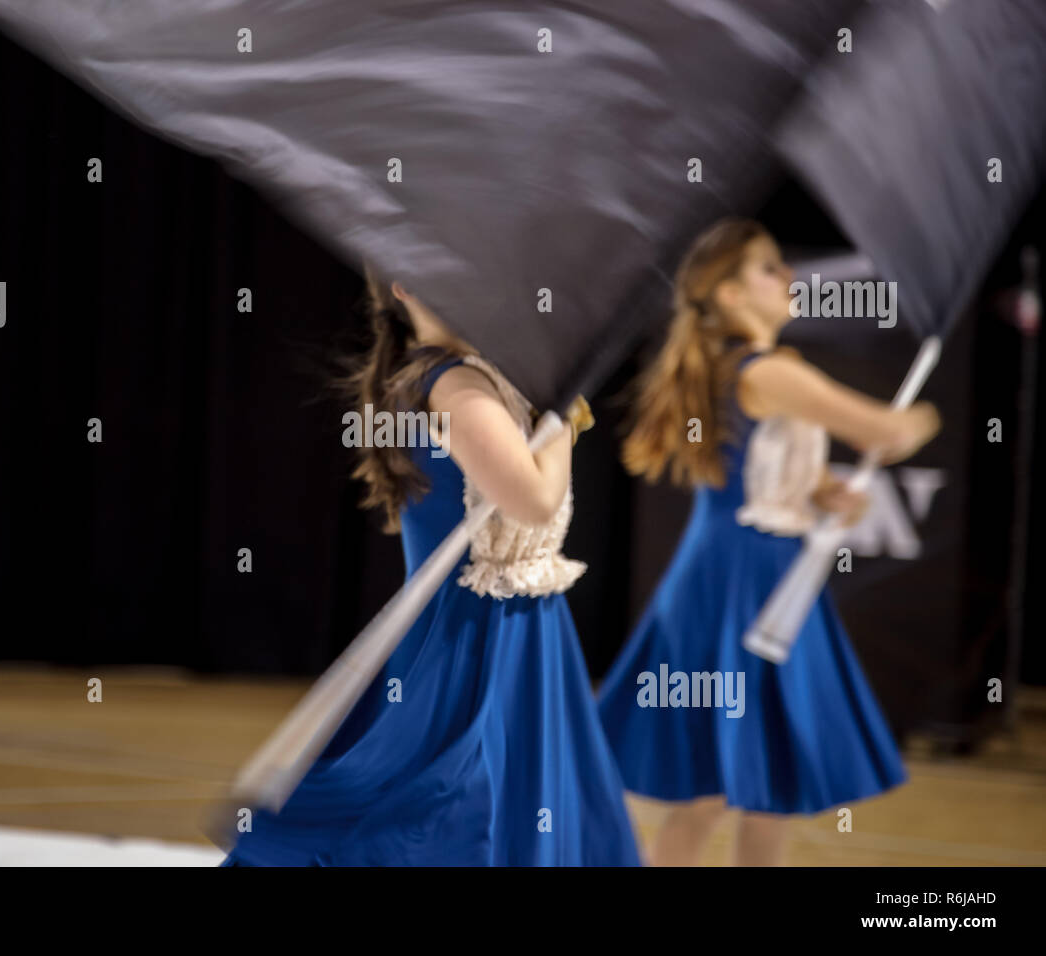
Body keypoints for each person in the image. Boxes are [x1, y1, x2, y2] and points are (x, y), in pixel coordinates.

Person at [220, 264, 641, 865]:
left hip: (521, 631)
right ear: (405, 287)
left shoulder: (471, 378)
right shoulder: (450, 384)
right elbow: (534, 500)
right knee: (446, 819)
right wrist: (562, 411)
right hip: (474, 640)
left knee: (503, 812)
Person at [597, 218, 941, 866]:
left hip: (757, 566)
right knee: (711, 787)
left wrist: (820, 494)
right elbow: (885, 431)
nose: (789, 278)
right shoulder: (768, 371)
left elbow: (777, 472)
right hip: (742, 575)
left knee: (762, 785)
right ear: (729, 294)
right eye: (768, 268)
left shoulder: (756, 370)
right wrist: (921, 414)